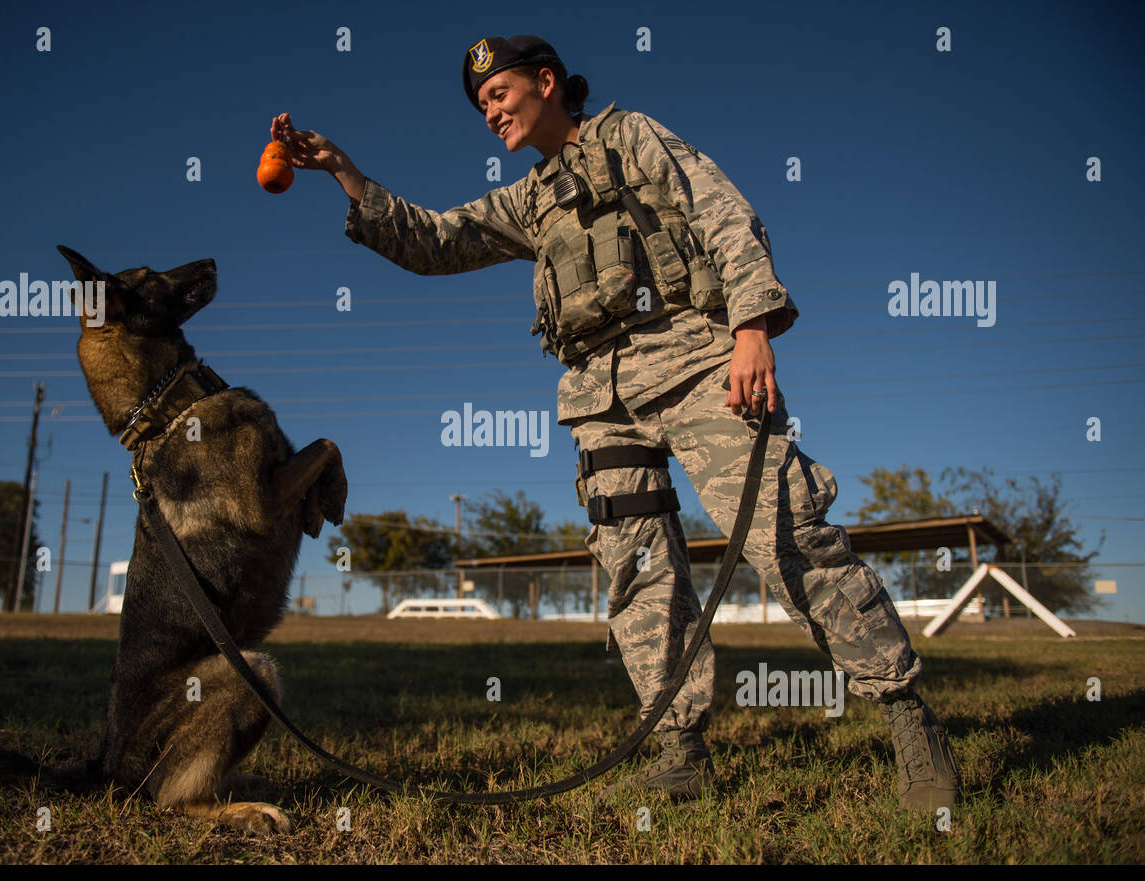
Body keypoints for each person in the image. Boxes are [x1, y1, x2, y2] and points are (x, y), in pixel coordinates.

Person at [269, 34, 960, 809]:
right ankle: (679, 750)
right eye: (481, 105)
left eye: (498, 93)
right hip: (598, 398)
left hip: (700, 364)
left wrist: (753, 327)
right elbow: (435, 241)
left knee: (785, 532)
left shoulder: (630, 137)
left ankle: (907, 717)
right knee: (638, 570)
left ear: (546, 81)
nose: (489, 111)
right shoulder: (526, 200)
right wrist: (345, 175)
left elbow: (723, 211)